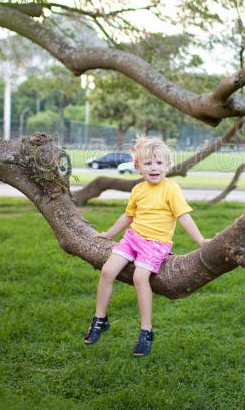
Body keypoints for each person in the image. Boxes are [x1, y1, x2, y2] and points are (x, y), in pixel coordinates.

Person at [83, 135, 209, 357]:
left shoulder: (171, 189)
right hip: (133, 238)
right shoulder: (138, 190)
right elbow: (127, 217)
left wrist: (201, 241)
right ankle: (100, 319)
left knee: (140, 277)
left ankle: (146, 331)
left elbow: (184, 217)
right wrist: (109, 234)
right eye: (148, 163)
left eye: (159, 163)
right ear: (137, 167)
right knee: (107, 271)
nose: (154, 168)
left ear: (168, 165)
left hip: (155, 244)